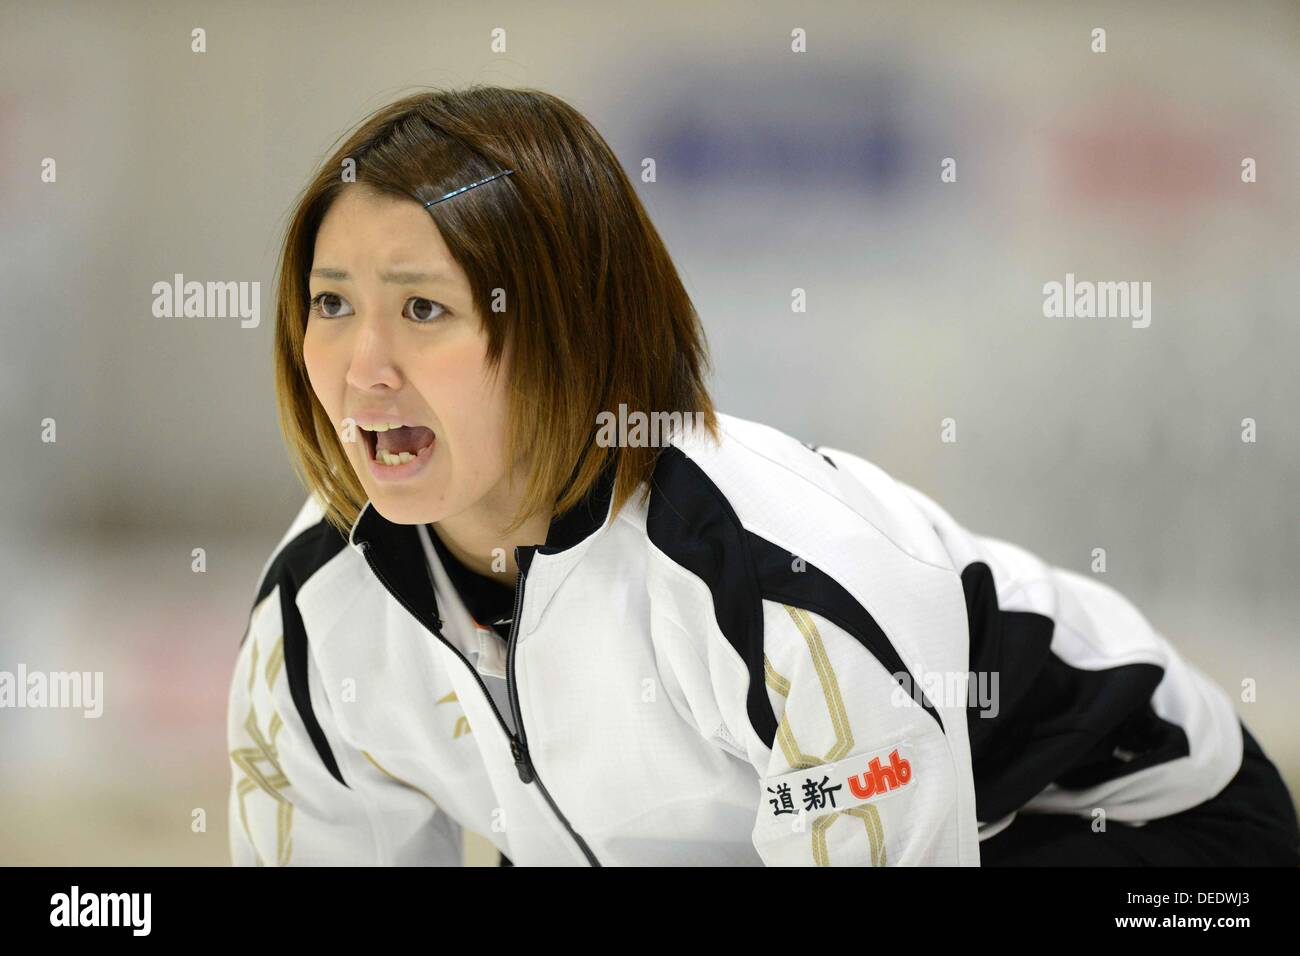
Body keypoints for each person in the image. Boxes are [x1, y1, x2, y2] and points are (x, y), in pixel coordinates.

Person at [226, 85, 1299, 867]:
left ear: (570, 330)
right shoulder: (317, 608)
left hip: (1148, 829)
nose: (361, 367)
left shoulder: (771, 567)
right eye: (330, 303)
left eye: (422, 308)